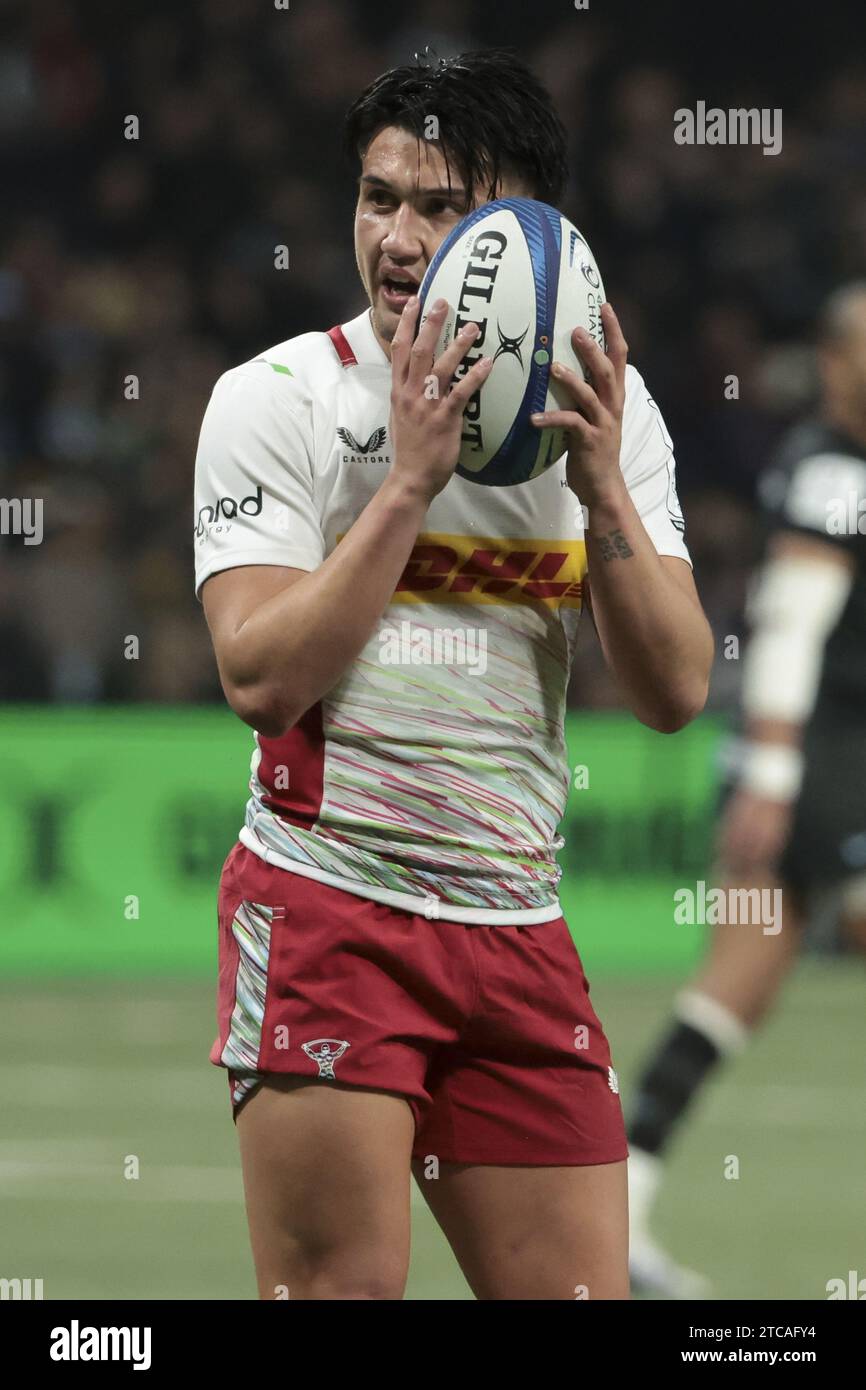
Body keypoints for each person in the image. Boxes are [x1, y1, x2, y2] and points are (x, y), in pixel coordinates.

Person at [193, 48, 712, 1301]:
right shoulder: (276, 398)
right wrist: (410, 483)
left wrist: (598, 494)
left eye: (439, 206)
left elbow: (673, 690)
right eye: (379, 198)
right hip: (329, 911)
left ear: (528, 231)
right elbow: (259, 676)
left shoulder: (610, 416)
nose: (397, 235)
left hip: (514, 921)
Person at [627, 281, 866, 1299]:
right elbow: (790, 629)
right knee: (731, 985)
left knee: (727, 996)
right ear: (833, 359)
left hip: (812, 762)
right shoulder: (831, 473)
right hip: (823, 766)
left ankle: (614, 1211)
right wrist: (770, 776)